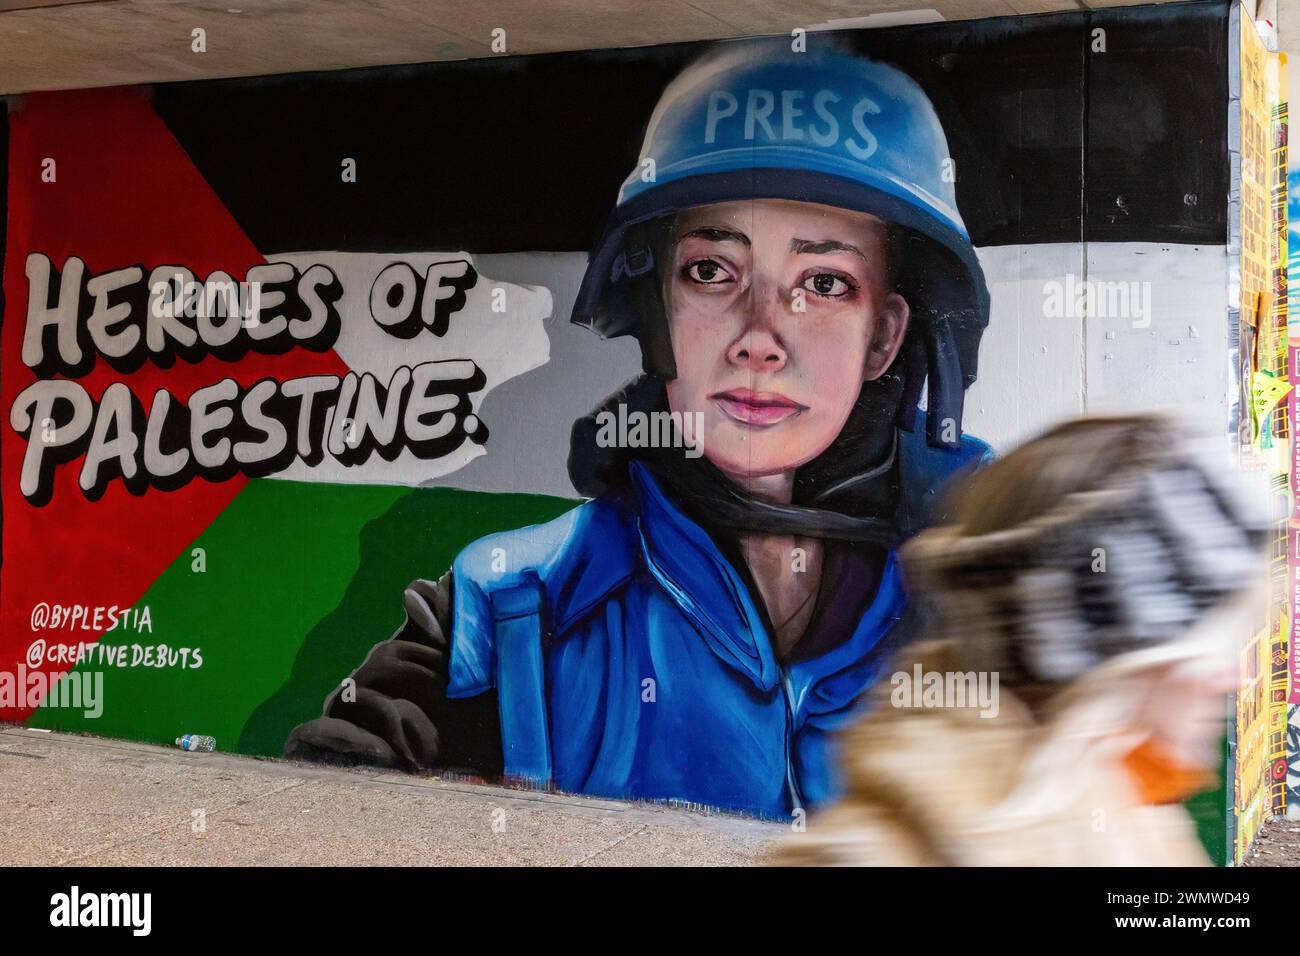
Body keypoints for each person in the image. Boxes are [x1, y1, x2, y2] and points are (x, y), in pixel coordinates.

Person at [285, 40, 994, 818]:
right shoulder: (510, 604)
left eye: (823, 283)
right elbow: (328, 809)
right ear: (660, 309)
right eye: (711, 272)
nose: (759, 336)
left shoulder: (990, 595)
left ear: (885, 337)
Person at [774, 414, 1265, 864]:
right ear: (1100, 668)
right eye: (1204, 638)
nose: (1230, 674)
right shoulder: (870, 857)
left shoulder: (1135, 817)